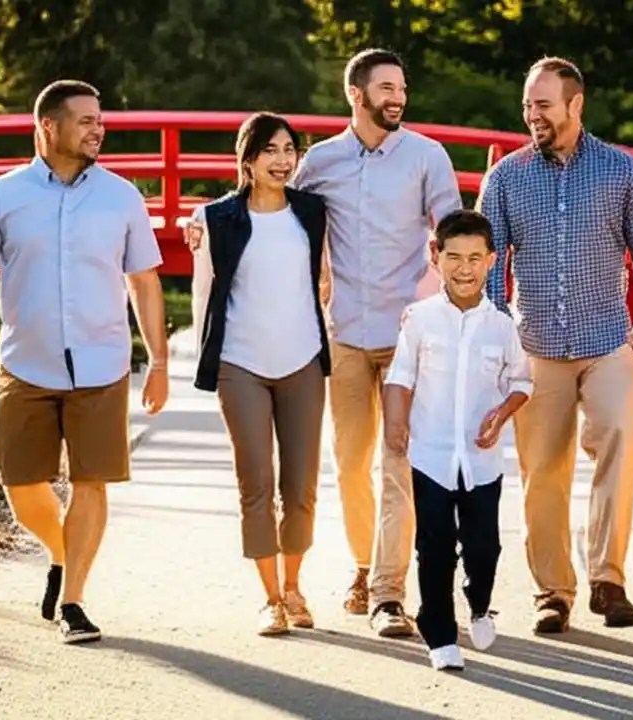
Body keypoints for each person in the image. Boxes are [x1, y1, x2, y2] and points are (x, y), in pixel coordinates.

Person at [188, 48, 462, 638]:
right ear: (356, 95)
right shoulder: (321, 163)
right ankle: (363, 568)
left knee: (398, 464)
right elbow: (270, 202)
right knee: (350, 463)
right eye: (387, 88)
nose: (399, 97)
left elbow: (451, 229)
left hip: (406, 335)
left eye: (402, 87)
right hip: (339, 337)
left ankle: (390, 592)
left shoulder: (426, 158)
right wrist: (202, 224)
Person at [0, 79, 169, 644]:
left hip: (101, 365)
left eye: (99, 119)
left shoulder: (121, 197)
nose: (98, 129)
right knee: (21, 486)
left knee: (91, 482)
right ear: (48, 126)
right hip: (26, 363)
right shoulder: (1, 195)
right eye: (86, 120)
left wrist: (158, 359)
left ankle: (74, 601)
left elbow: (144, 281)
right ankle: (61, 553)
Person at [477, 56, 633, 635]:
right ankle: (553, 591)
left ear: (575, 104)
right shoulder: (507, 177)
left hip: (607, 339)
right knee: (543, 470)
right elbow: (492, 266)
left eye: (542, 104)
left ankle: (608, 578)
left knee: (621, 435)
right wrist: (495, 342)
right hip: (535, 342)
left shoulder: (621, 171)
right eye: (527, 104)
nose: (531, 114)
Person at [187, 112, 331, 636]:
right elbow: (204, 297)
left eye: (290, 149)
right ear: (247, 158)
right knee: (256, 485)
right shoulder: (214, 219)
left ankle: (295, 588)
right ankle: (270, 597)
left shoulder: (312, 212)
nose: (283, 160)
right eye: (270, 150)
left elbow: (327, 276)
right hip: (241, 364)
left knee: (301, 486)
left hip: (303, 361)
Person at [382, 209, 531, 671]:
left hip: (482, 459)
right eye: (453, 257)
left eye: (474, 258)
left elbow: (522, 383)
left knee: (484, 546)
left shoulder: (503, 327)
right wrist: (395, 424)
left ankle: (480, 602)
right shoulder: (420, 319)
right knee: (435, 543)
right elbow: (401, 376)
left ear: (492, 261)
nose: (464, 268)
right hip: (430, 453)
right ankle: (439, 630)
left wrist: (501, 415)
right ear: (436, 257)